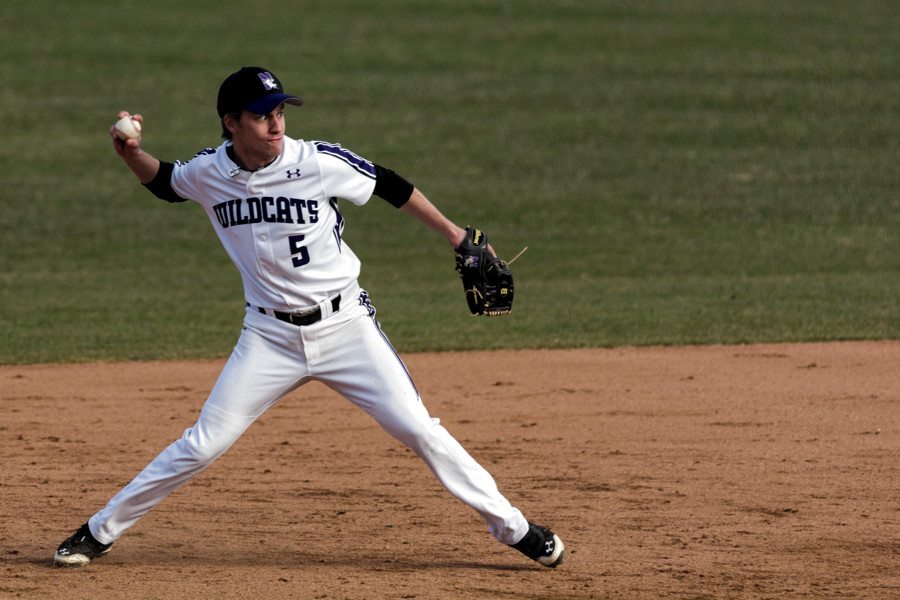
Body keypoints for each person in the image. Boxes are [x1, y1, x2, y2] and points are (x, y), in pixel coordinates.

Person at [54, 67, 564, 569]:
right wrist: (131, 155)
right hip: (268, 337)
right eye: (261, 117)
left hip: (346, 329)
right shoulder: (211, 172)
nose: (276, 125)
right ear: (231, 123)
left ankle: (515, 528)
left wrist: (457, 235)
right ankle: (98, 531)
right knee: (202, 444)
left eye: (279, 112)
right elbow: (166, 182)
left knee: (420, 429)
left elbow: (390, 185)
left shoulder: (317, 161)